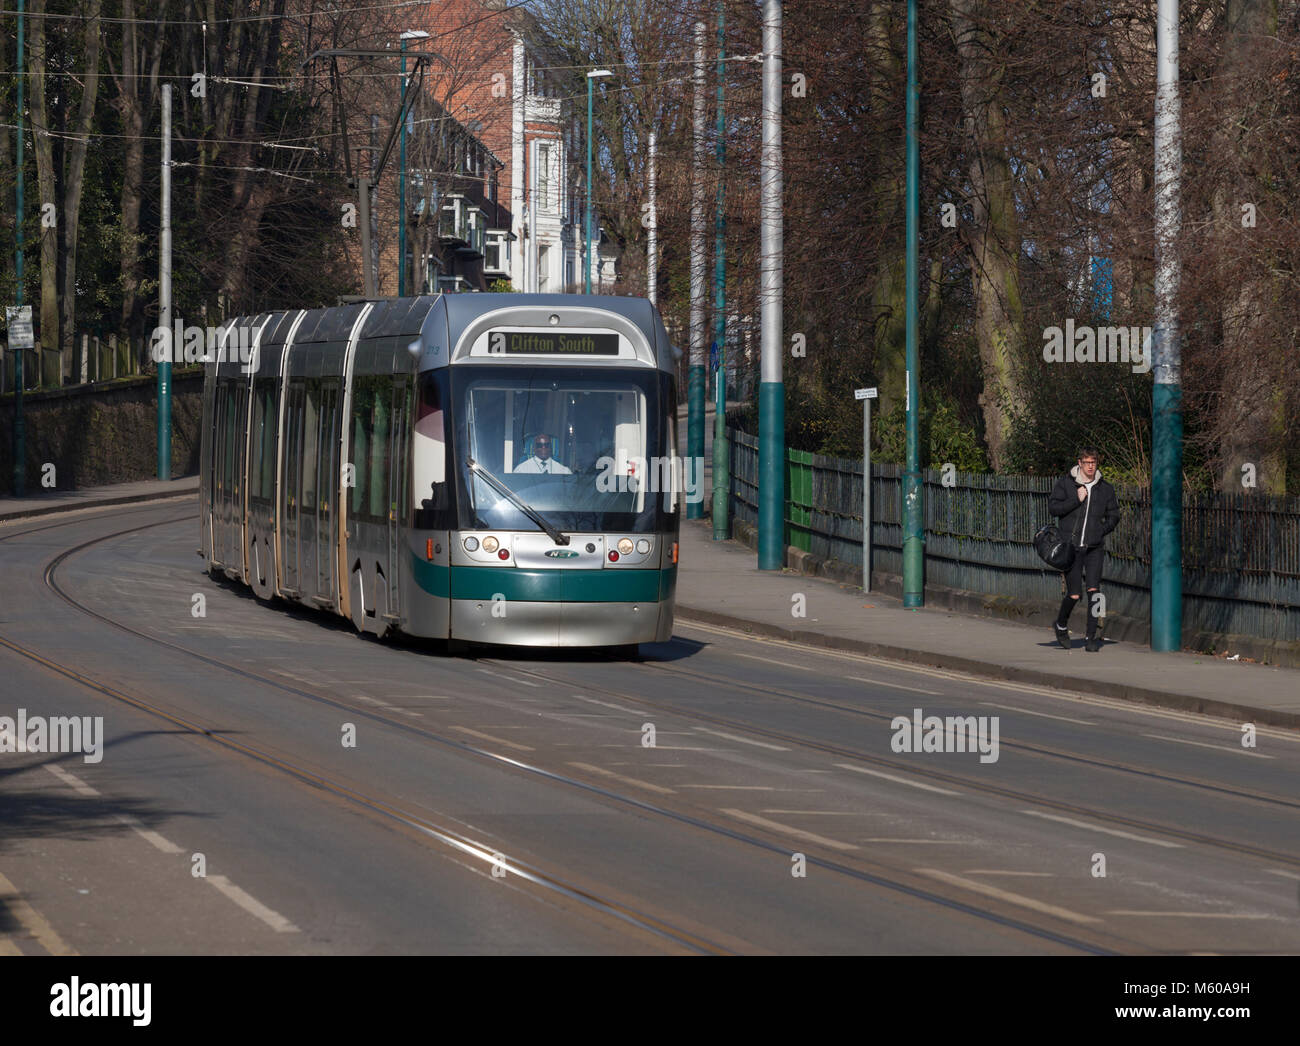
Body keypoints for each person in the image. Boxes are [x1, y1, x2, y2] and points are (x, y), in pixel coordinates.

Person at [1047, 447, 1120, 652]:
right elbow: (1053, 508)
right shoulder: (1066, 484)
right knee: (1074, 594)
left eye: (1093, 463)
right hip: (1071, 548)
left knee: (1095, 592)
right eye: (1087, 462)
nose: (1090, 466)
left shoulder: (1105, 488)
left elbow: (1114, 515)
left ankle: (1091, 636)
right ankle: (1061, 625)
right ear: (1079, 463)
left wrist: (1100, 531)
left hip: (1094, 547)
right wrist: (1075, 500)